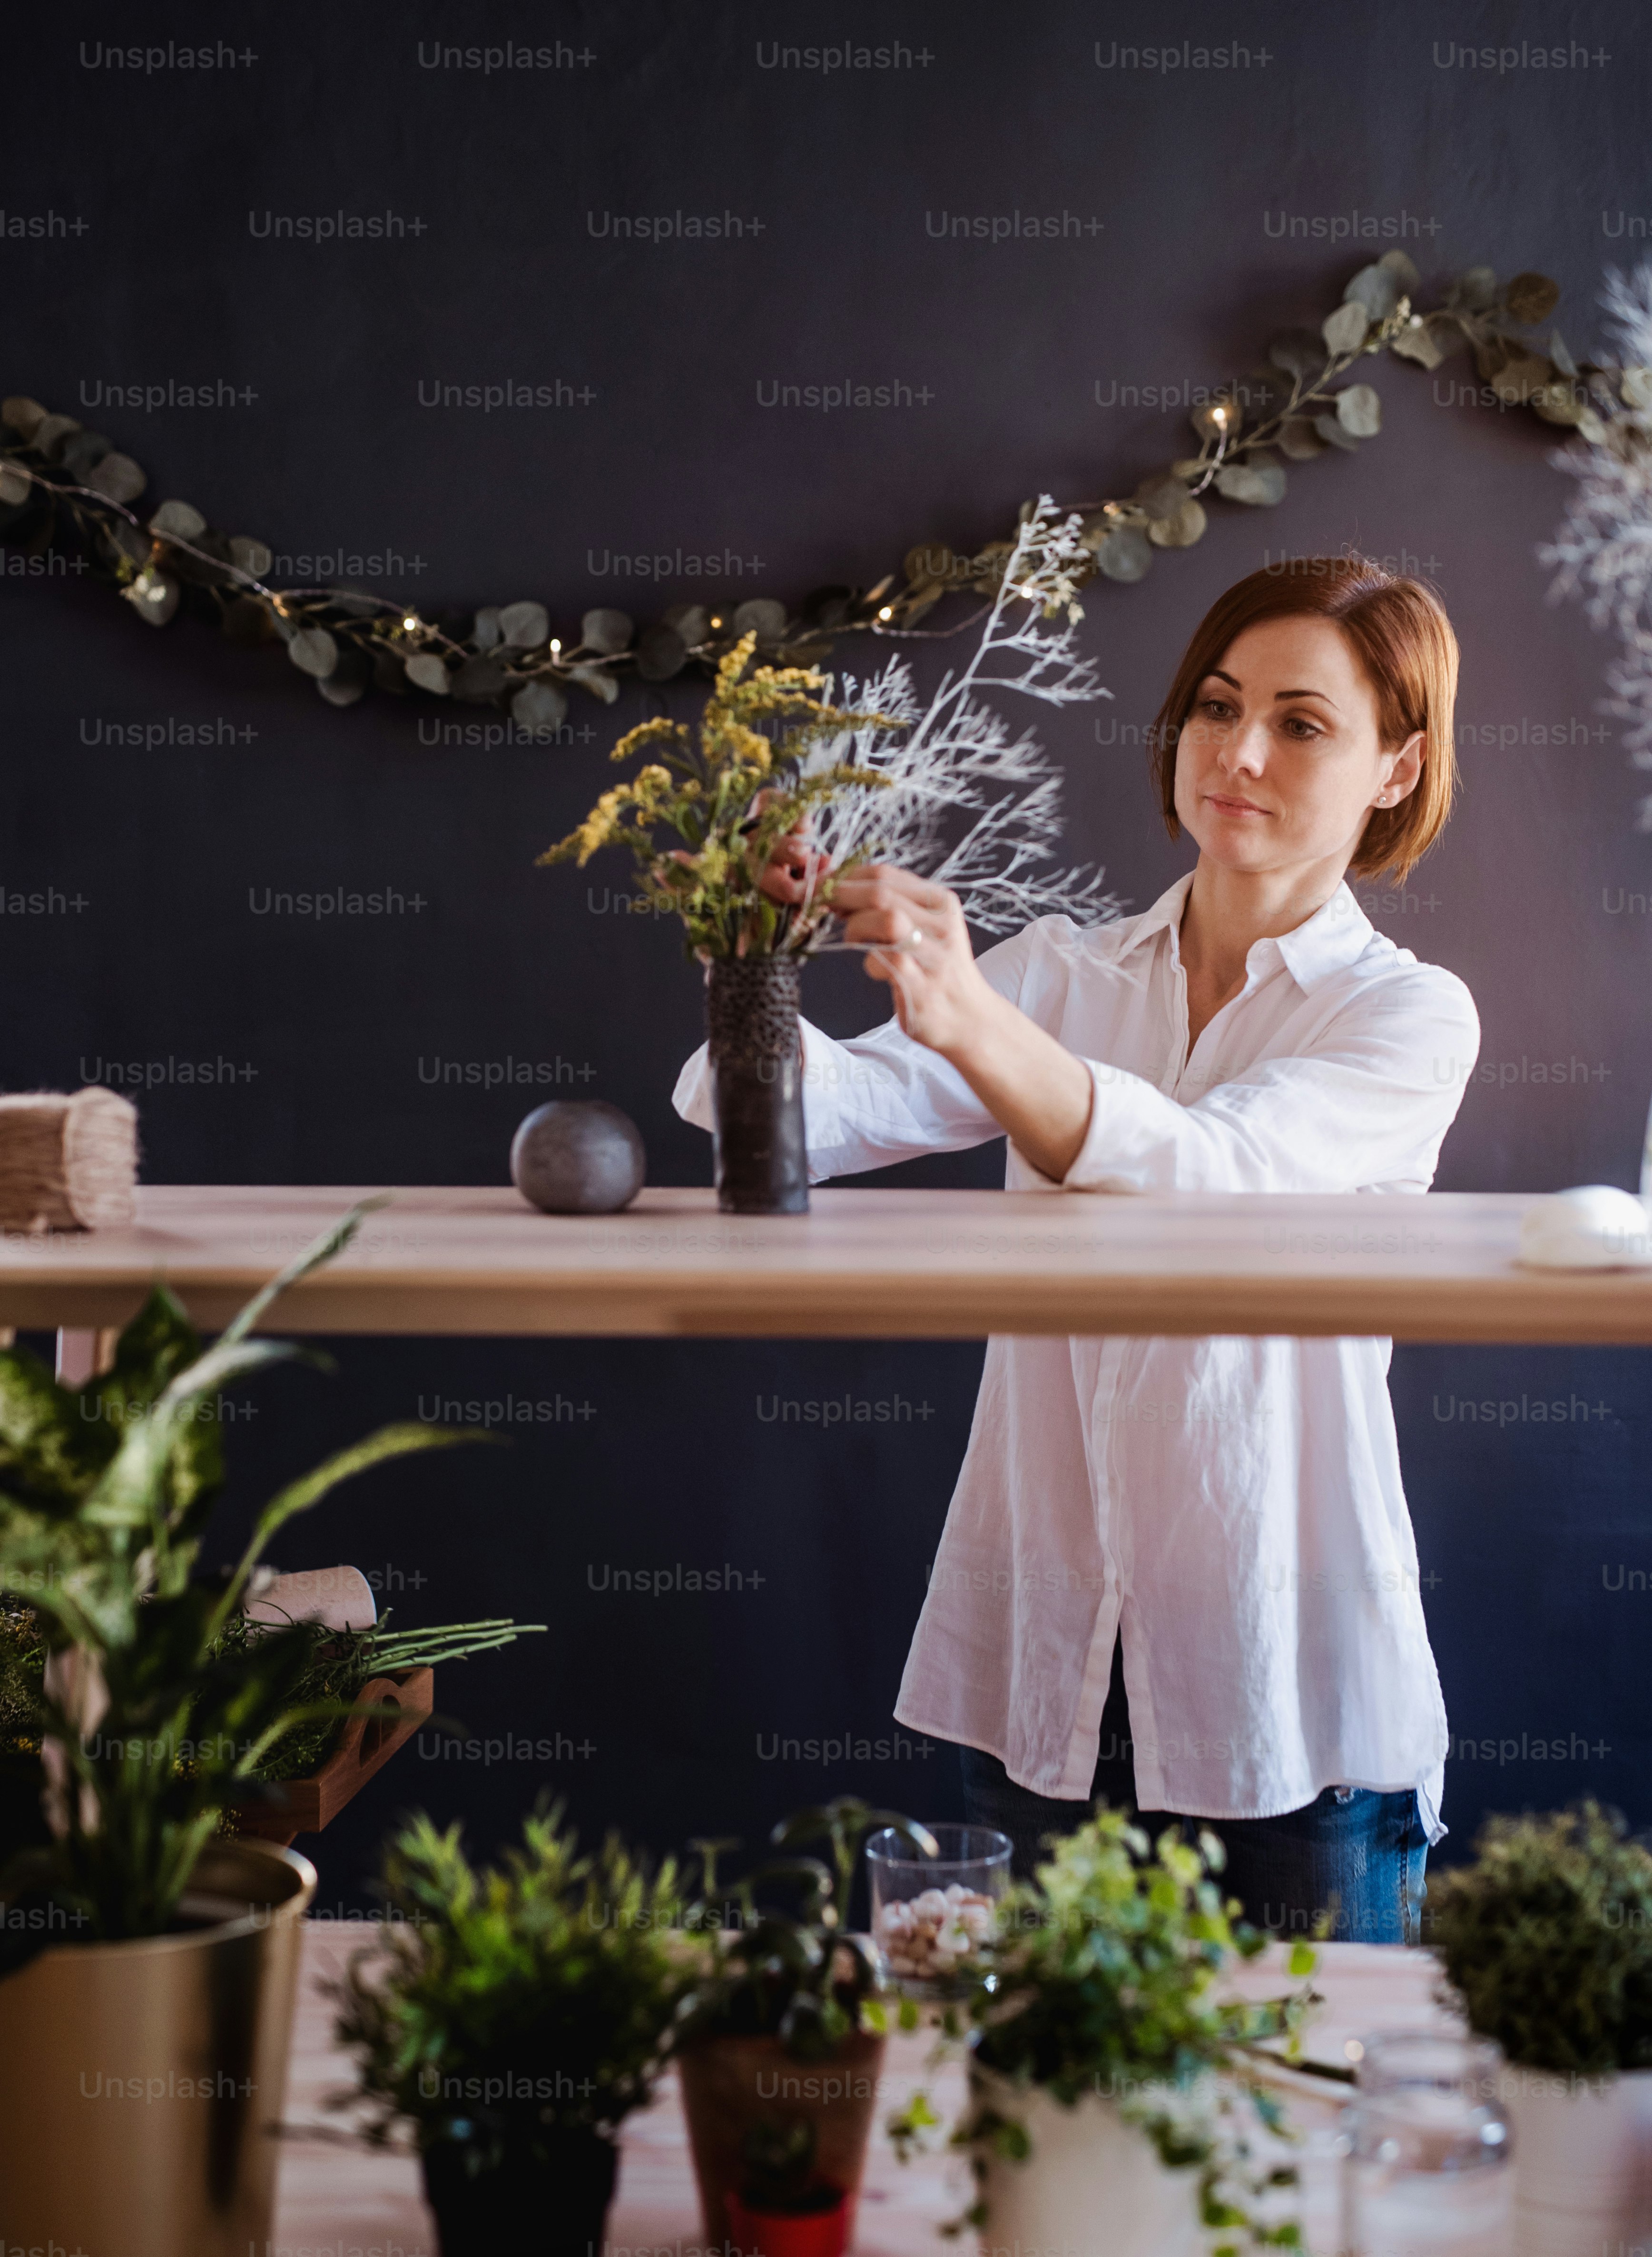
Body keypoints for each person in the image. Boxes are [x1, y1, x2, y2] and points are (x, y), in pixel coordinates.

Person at [674, 557, 1480, 1942]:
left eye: (1302, 724)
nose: (1235, 752)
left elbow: (1210, 1174)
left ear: (1397, 769)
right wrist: (752, 945)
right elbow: (782, 1117)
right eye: (1217, 705)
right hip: (1045, 1683)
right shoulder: (1062, 973)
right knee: (1031, 2124)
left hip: (1289, 1699)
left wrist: (973, 1017)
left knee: (1295, 2140)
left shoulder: (1408, 1018)